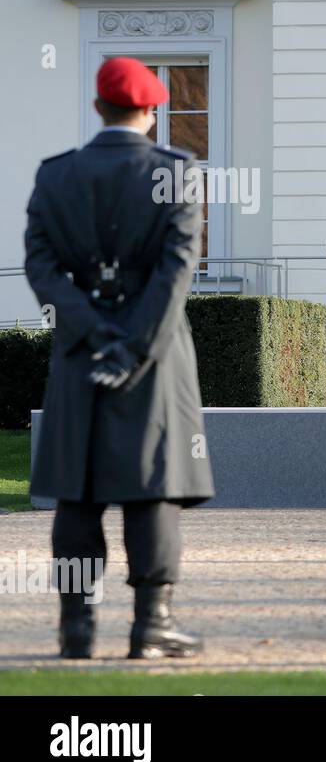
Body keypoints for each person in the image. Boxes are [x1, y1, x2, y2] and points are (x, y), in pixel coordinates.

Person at [25, 56, 215, 659]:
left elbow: (43, 266)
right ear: (153, 111)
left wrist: (92, 332)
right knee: (151, 487)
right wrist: (132, 345)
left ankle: (76, 629)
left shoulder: (56, 176)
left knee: (79, 492)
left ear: (97, 107)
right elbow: (176, 270)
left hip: (81, 352)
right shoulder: (176, 172)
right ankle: (151, 626)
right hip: (153, 353)